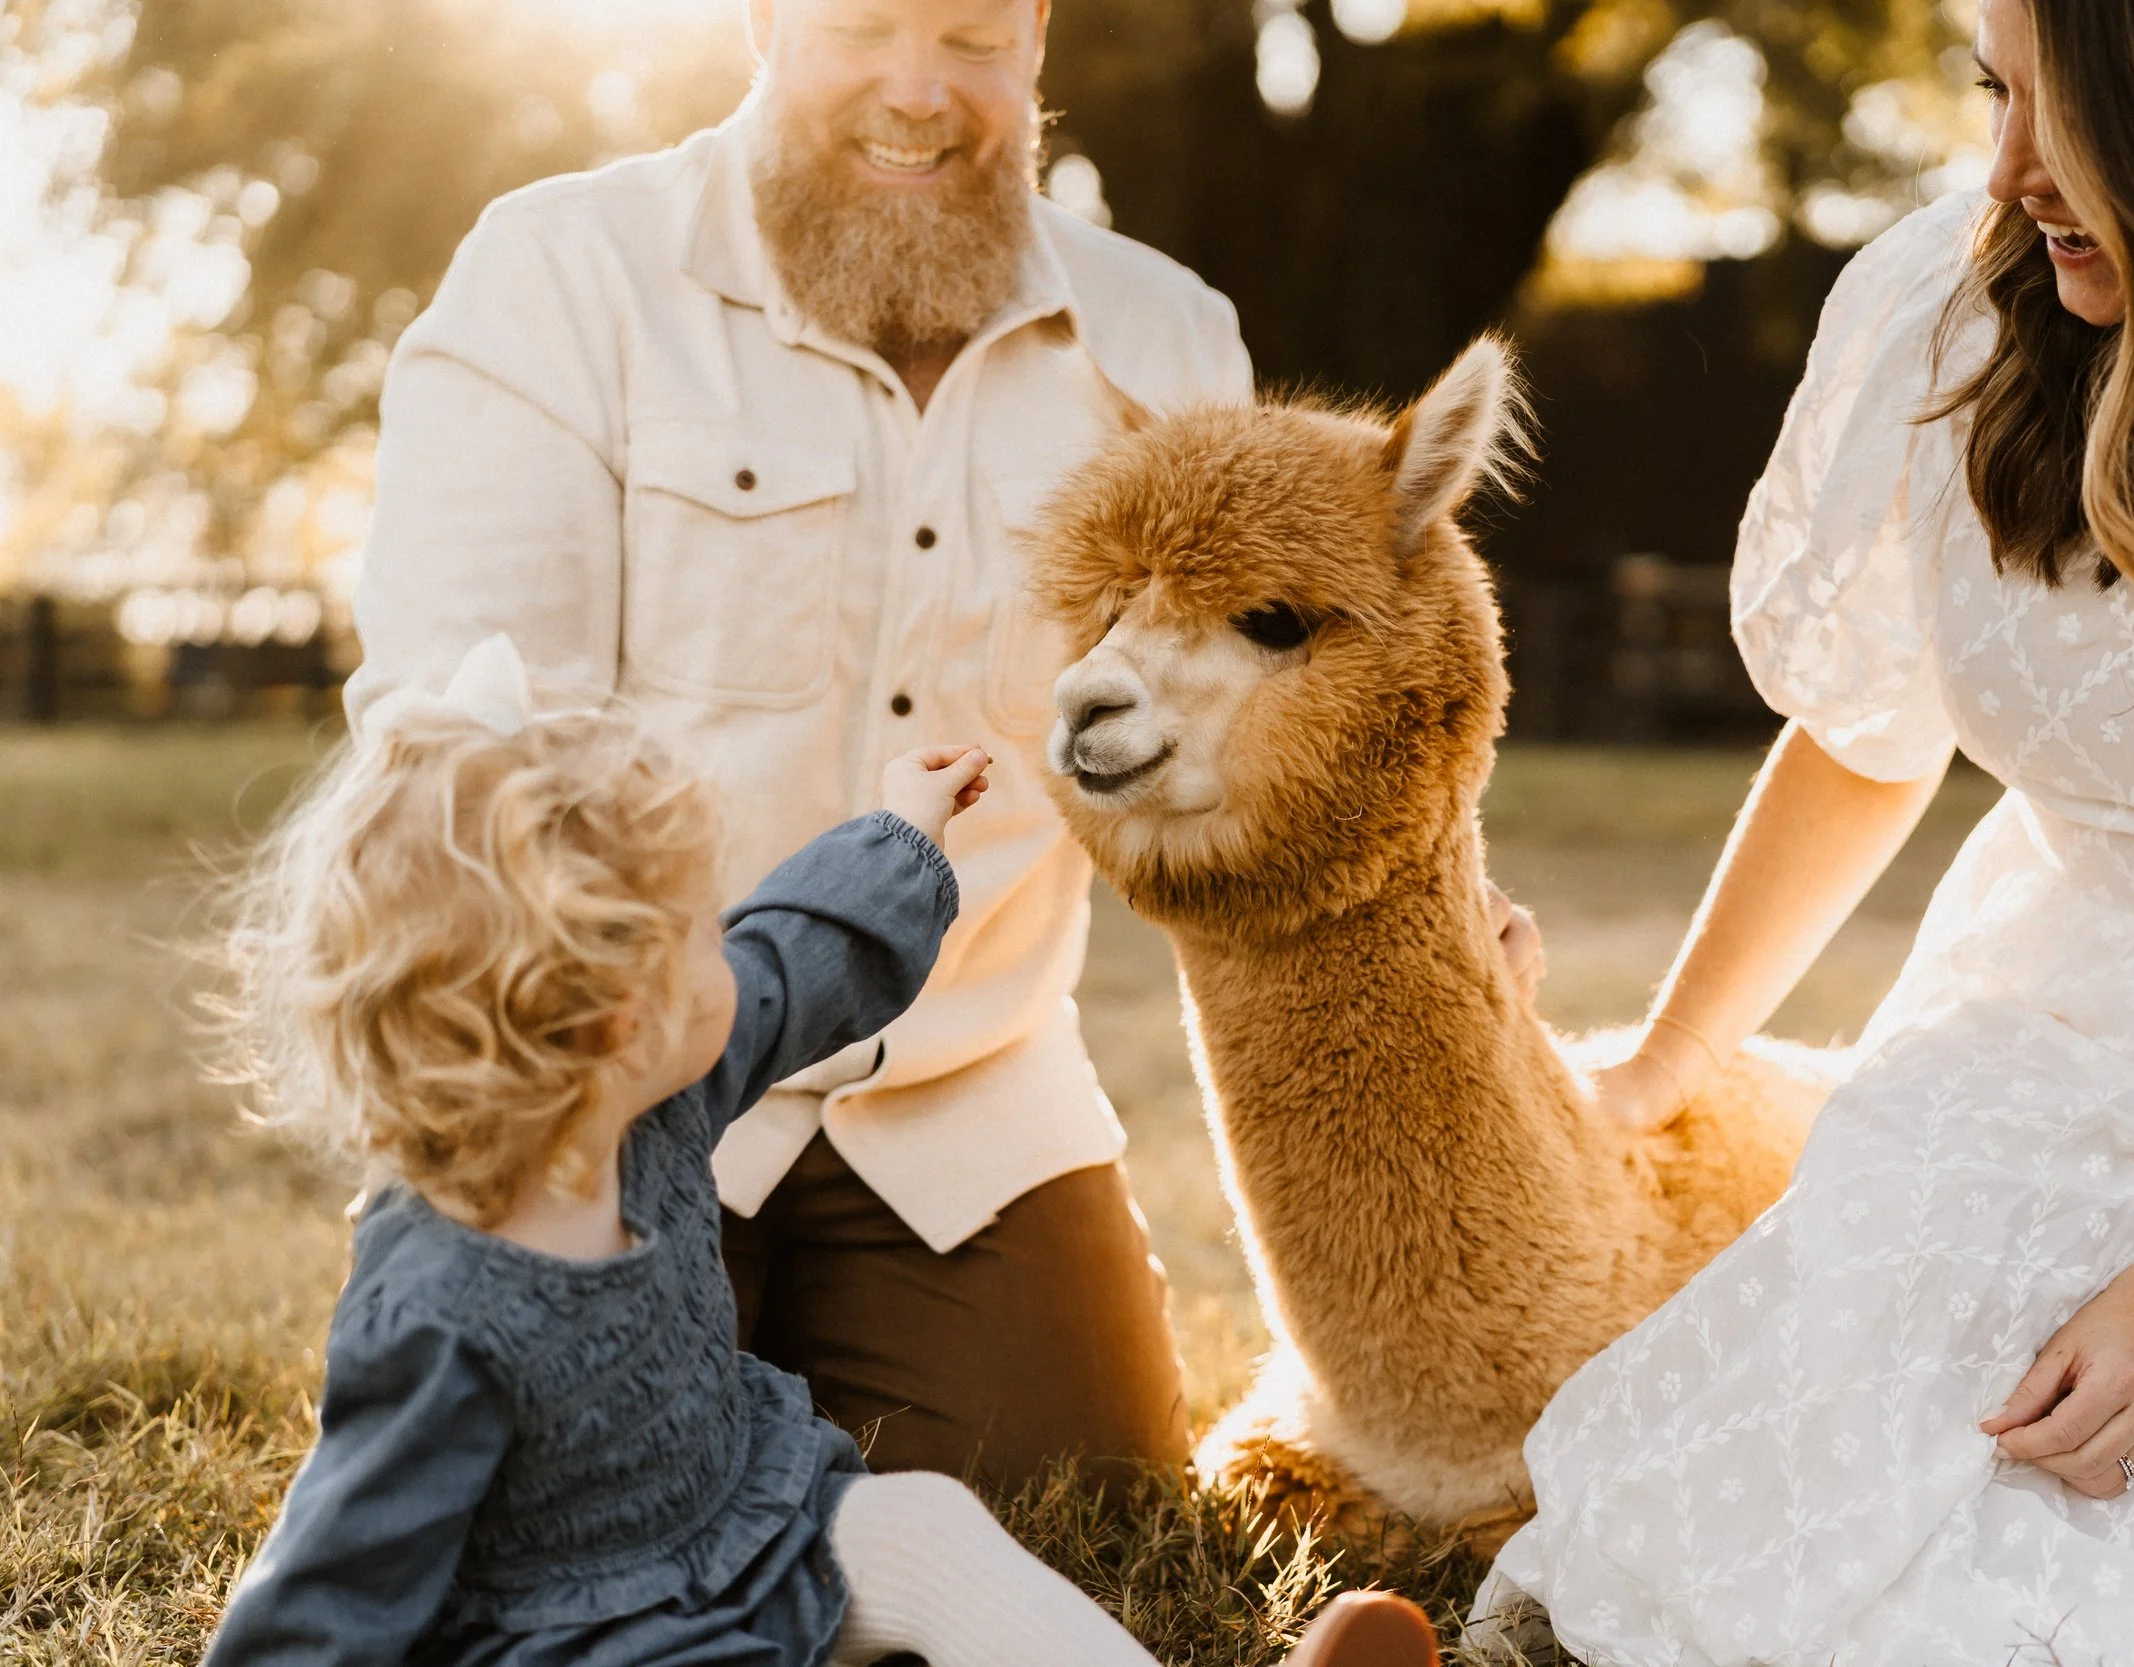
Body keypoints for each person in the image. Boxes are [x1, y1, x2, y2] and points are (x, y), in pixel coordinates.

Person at [1469, 0, 2134, 1661]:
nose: (2011, 174)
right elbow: (1870, 738)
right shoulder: (1947, 322)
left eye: (2072, 112)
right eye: (1991, 92)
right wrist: (1665, 1057)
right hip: (2029, 1039)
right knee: (1782, 1518)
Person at [342, 0, 1255, 1484]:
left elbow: (1255, 742)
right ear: (762, 19)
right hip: (613, 1074)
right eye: (866, 25)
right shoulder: (562, 276)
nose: (918, 90)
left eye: (970, 35)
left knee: (1087, 1504)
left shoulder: (1168, 341)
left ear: (1036, 31)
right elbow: (465, 744)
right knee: (553, 1519)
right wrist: (577, 1127)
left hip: (971, 1096)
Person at [200, 636, 1441, 1667]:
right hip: (605, 1639)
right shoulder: (437, 1304)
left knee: (924, 1529)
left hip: (766, 1521)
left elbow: (793, 961)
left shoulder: (651, 1097)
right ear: (607, 1016)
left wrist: (901, 832)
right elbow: (338, 1575)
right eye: (694, 930)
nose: (722, 950)